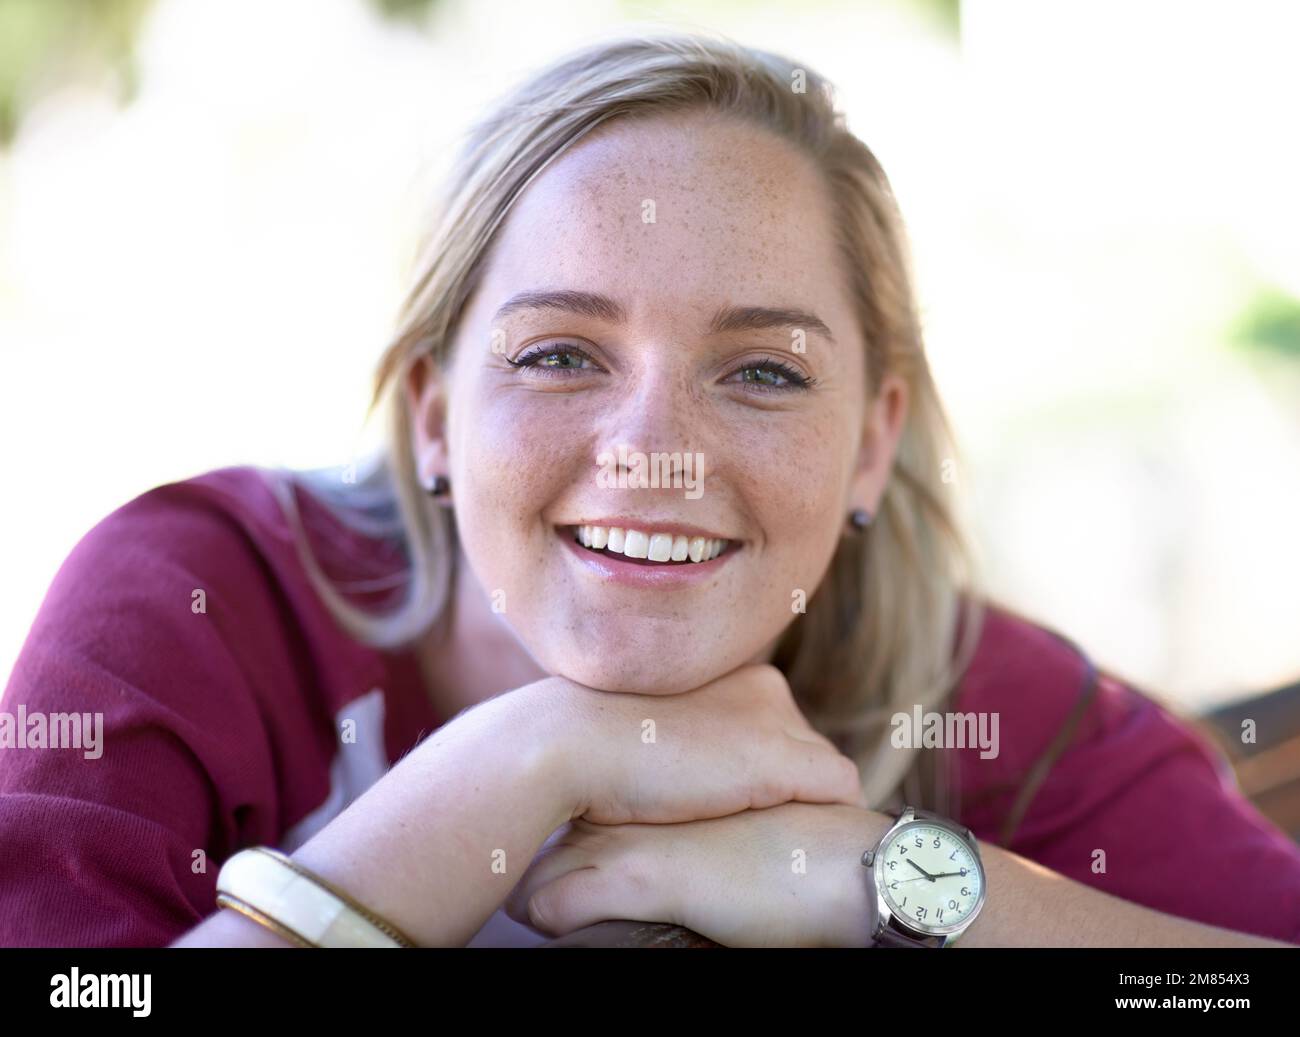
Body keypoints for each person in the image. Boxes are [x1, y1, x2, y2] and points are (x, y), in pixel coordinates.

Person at [2, 32, 1298, 949]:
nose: (653, 449)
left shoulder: (962, 689)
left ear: (869, 440)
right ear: (434, 413)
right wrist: (517, 763)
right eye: (562, 353)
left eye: (763, 371)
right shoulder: (200, 599)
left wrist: (888, 879)